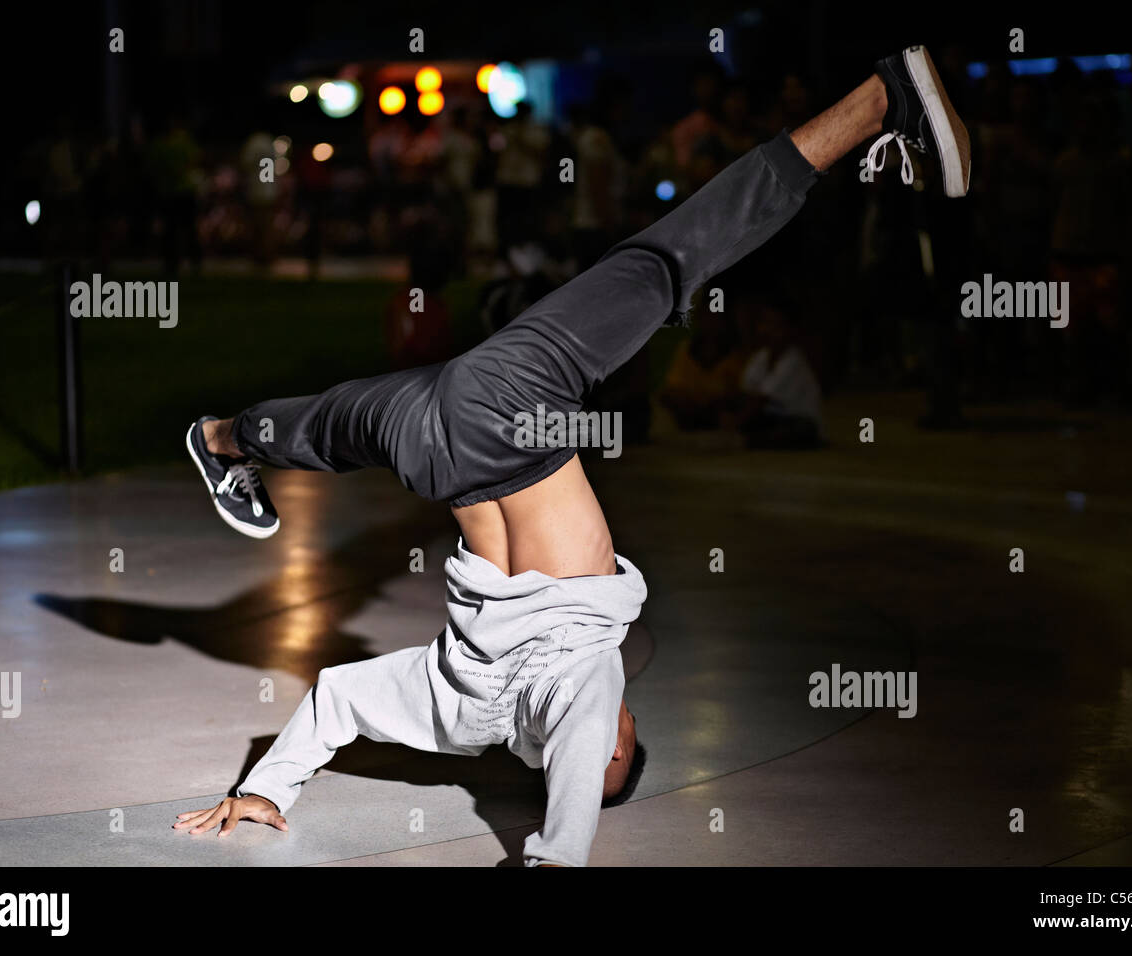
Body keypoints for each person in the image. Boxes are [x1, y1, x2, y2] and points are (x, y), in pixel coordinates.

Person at [173, 47, 971, 866]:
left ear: (612, 749)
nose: (611, 739)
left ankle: (882, 96)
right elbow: (340, 696)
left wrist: (560, 855)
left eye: (611, 756)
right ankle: (223, 439)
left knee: (676, 257)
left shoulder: (584, 687)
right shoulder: (462, 716)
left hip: (507, 413)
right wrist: (269, 786)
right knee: (333, 428)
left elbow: (583, 741)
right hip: (432, 449)